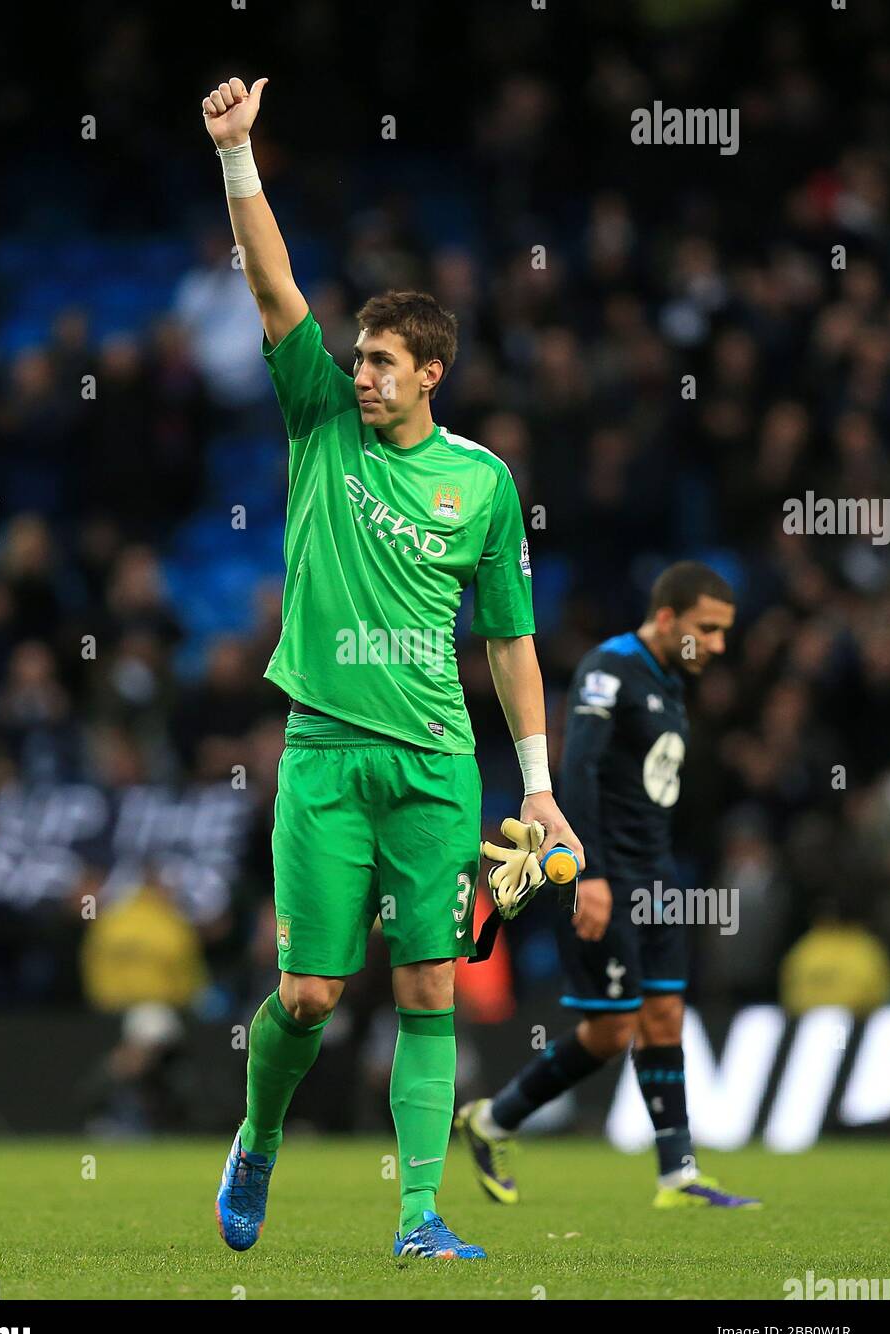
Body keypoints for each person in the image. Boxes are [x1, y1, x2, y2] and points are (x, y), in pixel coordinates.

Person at [203, 74, 584, 1259]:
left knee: (428, 988)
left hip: (434, 762)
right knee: (310, 999)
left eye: (379, 361)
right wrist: (236, 156)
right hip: (322, 753)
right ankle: (259, 1133)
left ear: (429, 373)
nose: (358, 372)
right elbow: (271, 283)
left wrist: (532, 783)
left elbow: (509, 639)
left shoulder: (480, 483)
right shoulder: (315, 416)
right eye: (355, 356)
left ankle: (417, 1216)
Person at [457, 561, 762, 1209]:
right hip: (606, 876)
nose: (716, 645)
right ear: (667, 617)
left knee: (664, 1015)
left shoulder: (671, 682)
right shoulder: (608, 669)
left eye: (723, 633)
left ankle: (678, 1174)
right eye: (706, 630)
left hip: (656, 877)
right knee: (612, 1029)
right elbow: (581, 767)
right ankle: (494, 1119)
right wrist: (588, 873)